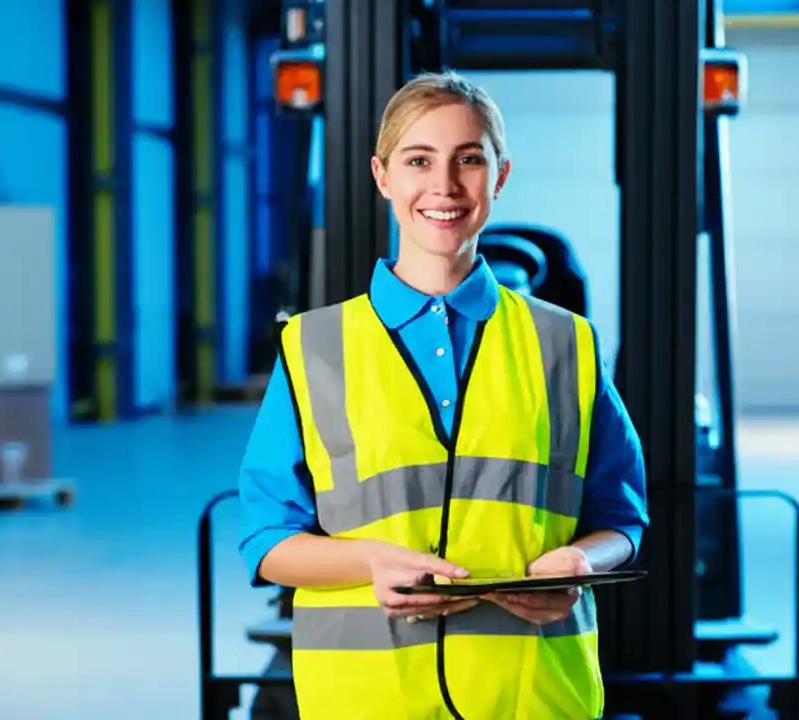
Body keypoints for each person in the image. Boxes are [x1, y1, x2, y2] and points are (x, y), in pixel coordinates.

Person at [237, 70, 649, 720]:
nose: (445, 185)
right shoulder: (314, 346)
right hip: (370, 701)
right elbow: (267, 537)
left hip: (531, 697)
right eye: (419, 160)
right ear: (382, 176)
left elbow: (620, 519)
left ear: (500, 176)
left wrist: (579, 562)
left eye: (469, 160)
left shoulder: (566, 344)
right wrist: (368, 562)